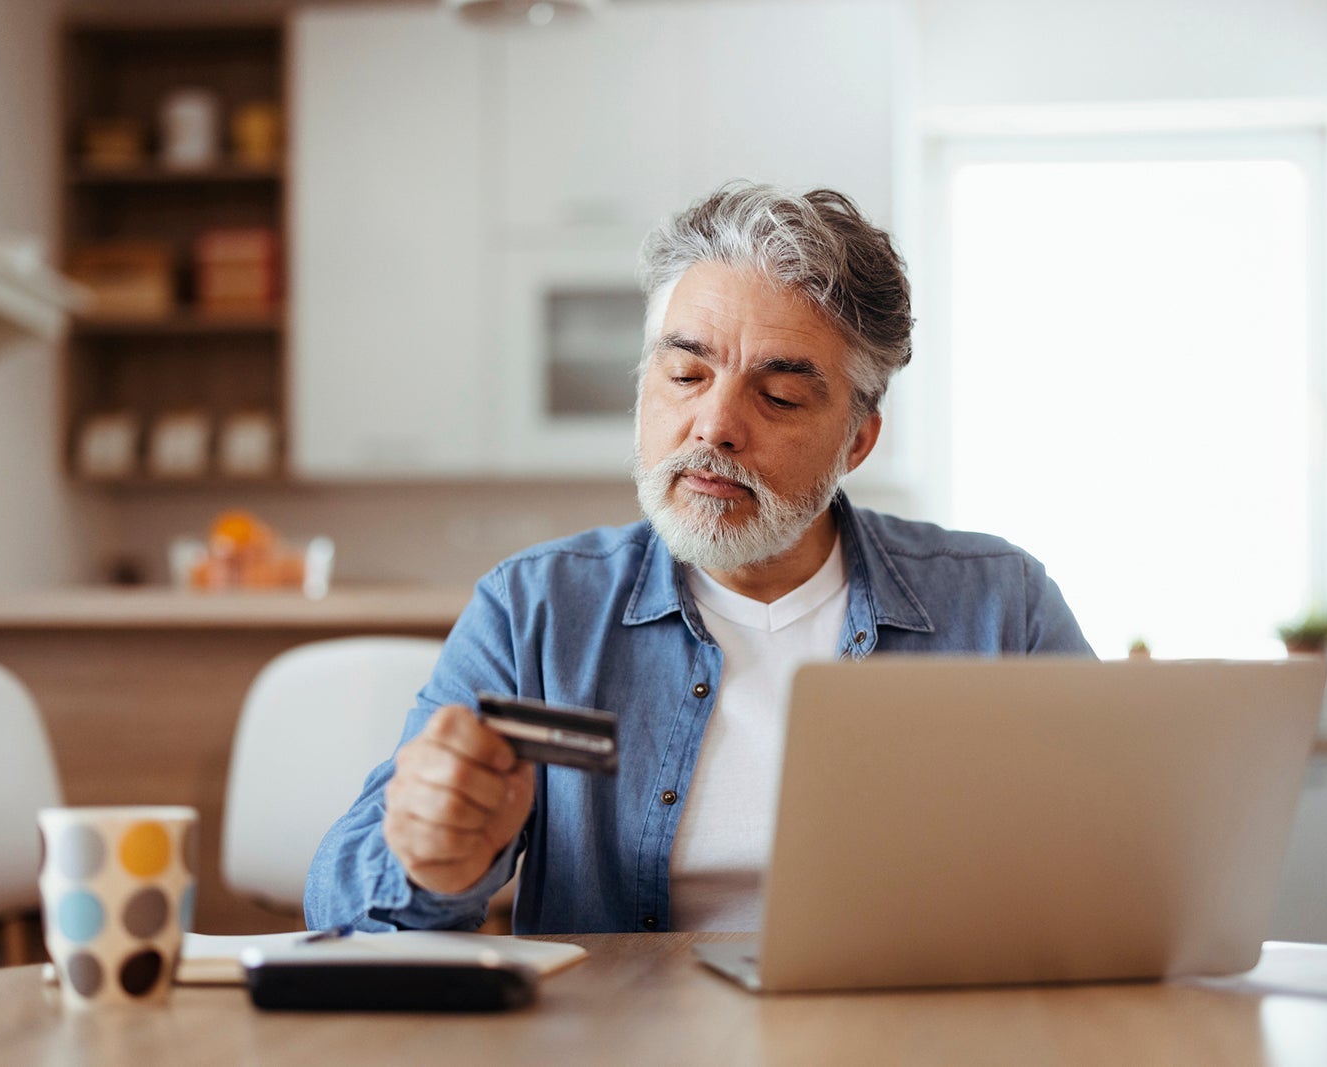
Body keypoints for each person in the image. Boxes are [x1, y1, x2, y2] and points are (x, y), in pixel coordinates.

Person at [304, 182, 1094, 935]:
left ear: (857, 439)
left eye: (778, 397)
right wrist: (433, 863)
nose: (713, 424)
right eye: (686, 374)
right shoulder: (535, 609)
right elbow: (341, 906)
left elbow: (1122, 867)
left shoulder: (1002, 605)